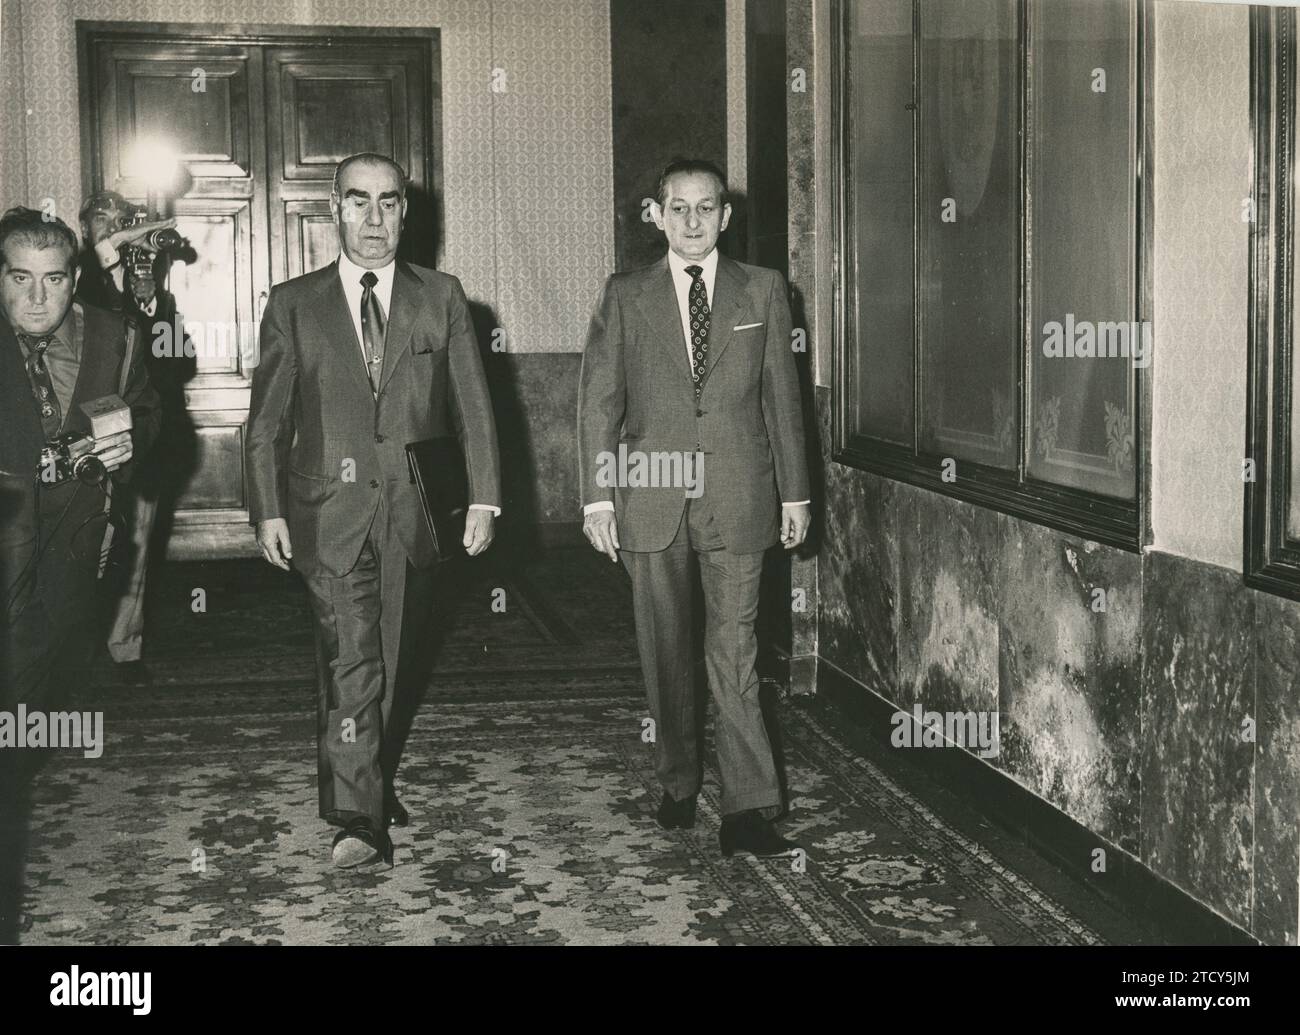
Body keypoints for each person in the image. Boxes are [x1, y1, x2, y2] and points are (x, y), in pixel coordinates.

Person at [245, 152, 501, 869]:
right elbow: (265, 420)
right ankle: (358, 816)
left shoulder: (442, 296)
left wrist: (483, 497)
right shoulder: (293, 302)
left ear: (406, 211)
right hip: (327, 512)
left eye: (389, 202)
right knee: (351, 656)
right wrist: (266, 508)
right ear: (335, 208)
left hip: (417, 513)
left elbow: (474, 409)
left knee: (391, 655)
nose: (374, 218)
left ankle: (368, 774)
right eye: (358, 201)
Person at [578, 158, 811, 857]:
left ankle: (748, 807)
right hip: (649, 493)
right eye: (676, 208)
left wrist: (795, 492)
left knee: (734, 652)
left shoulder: (764, 290)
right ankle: (678, 777)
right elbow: (599, 401)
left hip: (740, 497)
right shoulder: (626, 294)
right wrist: (596, 496)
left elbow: (784, 401)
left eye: (705, 208)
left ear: (726, 215)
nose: (691, 221)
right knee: (666, 649)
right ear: (657, 214)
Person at [0, 206, 161, 721]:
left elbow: (146, 409)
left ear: (76, 278)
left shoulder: (118, 336)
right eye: (20, 278)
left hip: (78, 533)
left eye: (53, 279)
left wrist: (133, 438)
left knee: (40, 661)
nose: (37, 298)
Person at [77, 190, 187, 685]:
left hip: (140, 437)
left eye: (120, 219)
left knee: (137, 545)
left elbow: (176, 362)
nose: (113, 227)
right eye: (103, 218)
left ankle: (125, 648)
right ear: (85, 227)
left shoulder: (155, 291)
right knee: (79, 545)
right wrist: (133, 234)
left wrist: (150, 303)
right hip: (82, 438)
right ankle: (69, 647)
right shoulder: (77, 273)